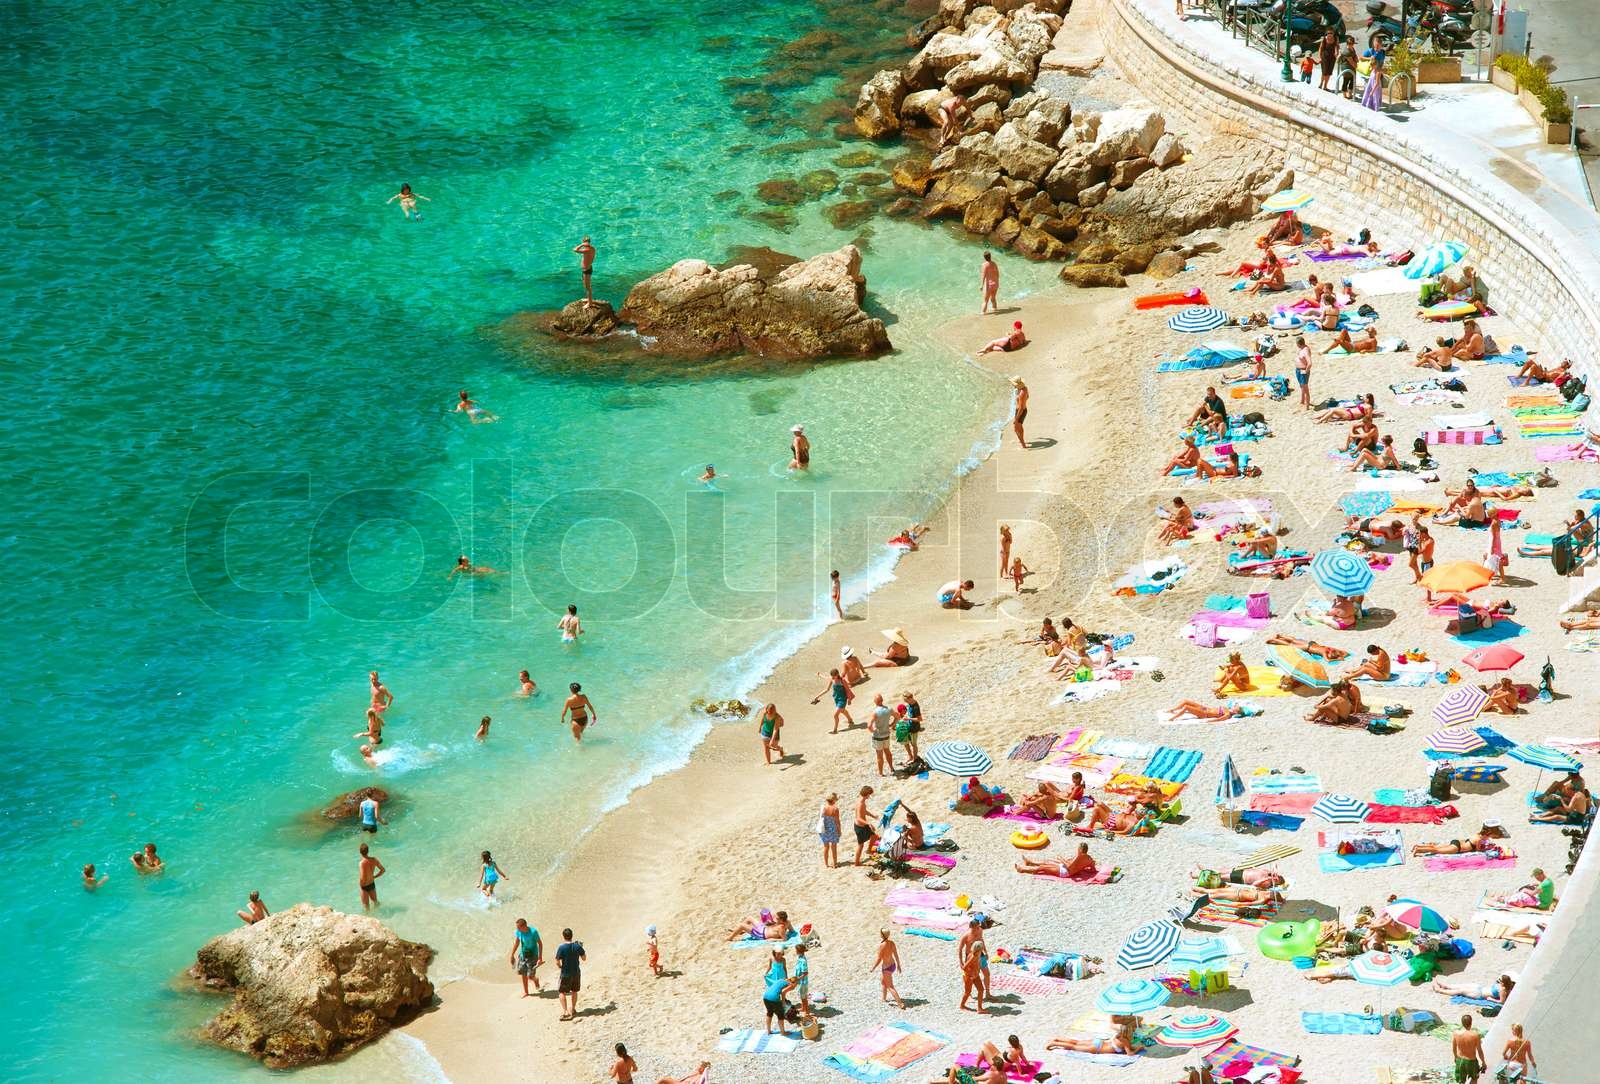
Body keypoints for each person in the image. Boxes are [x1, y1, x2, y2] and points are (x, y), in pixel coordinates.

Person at [1047, 1016, 1137, 1055]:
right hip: (1098, 1048)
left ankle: (1058, 1039)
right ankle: (1054, 1044)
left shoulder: (1118, 1035)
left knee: (1076, 1042)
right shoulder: (1125, 1041)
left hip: (1098, 1041)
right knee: (1074, 1046)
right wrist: (1138, 1048)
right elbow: (1130, 1053)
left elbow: (1126, 1047)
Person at [1417, 319, 1484, 369]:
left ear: (1471, 329)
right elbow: (1460, 340)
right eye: (1465, 329)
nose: (1465, 330)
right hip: (1471, 351)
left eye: (1466, 329)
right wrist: (1454, 347)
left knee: (1460, 351)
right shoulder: (1469, 334)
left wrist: (1464, 343)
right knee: (1457, 345)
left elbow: (1469, 348)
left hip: (1478, 354)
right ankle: (1442, 354)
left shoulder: (1475, 336)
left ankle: (1439, 355)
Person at [1016, 841, 1097, 878]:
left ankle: (1022, 869)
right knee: (1047, 862)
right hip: (1066, 869)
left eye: (1078, 848)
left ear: (1080, 849)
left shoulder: (1079, 856)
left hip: (1065, 872)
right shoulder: (1090, 859)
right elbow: (1093, 870)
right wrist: (1082, 869)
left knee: (1043, 868)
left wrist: (1061, 859)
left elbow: (1068, 866)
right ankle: (1030, 862)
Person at [555, 928, 586, 1021]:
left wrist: (560, 967)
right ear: (572, 935)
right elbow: (584, 958)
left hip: (565, 973)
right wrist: (581, 947)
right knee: (574, 991)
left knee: (561, 992)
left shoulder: (561, 947)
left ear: (563, 936)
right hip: (576, 972)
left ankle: (565, 1011)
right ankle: (572, 1009)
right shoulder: (577, 946)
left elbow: (557, 961)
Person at [813, 668, 855, 732]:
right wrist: (817, 696)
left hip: (842, 699)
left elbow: (848, 690)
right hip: (836, 698)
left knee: (835, 715)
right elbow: (826, 688)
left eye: (834, 676)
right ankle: (850, 720)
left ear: (837, 674)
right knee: (842, 711)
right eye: (832, 676)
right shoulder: (832, 679)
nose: (833, 677)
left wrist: (849, 700)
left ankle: (835, 730)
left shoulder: (842, 680)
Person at [874, 929, 907, 1008]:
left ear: (882, 935)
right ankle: (884, 999)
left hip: (886, 968)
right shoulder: (892, 943)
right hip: (893, 965)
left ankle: (900, 1003)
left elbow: (879, 959)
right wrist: (898, 965)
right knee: (883, 981)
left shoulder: (881, 946)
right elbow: (896, 954)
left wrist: (873, 968)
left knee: (890, 986)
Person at [957, 924, 985, 1013]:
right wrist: (972, 974)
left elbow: (977, 965)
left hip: (975, 975)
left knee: (981, 990)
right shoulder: (972, 956)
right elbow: (964, 968)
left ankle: (979, 1008)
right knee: (967, 992)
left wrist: (977, 971)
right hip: (969, 976)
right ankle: (962, 1005)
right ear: (978, 949)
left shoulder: (977, 955)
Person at [512, 918, 543, 995]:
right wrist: (512, 954)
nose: (517, 929)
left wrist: (540, 958)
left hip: (533, 956)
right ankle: (526, 992)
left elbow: (540, 944)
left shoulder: (533, 932)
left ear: (524, 926)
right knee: (523, 973)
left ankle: (536, 980)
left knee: (530, 976)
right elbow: (517, 943)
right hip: (523, 955)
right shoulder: (519, 932)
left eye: (518, 927)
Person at [869, 694, 896, 776]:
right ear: (882, 700)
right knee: (887, 752)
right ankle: (891, 768)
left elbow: (869, 725)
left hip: (878, 736)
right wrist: (892, 724)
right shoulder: (889, 709)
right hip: (886, 734)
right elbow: (898, 716)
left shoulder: (875, 712)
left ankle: (881, 773)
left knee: (879, 756)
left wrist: (872, 730)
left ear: (875, 702)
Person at [726, 909, 793, 941]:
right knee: (749, 918)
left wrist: (772, 939)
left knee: (742, 925)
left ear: (781, 920)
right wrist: (772, 924)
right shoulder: (787, 922)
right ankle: (739, 932)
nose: (775, 918)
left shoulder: (781, 927)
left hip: (761, 934)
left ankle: (729, 938)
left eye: (777, 918)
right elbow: (792, 930)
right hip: (764, 928)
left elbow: (785, 939)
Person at [1411, 832, 1498, 856]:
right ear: (1485, 835)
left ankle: (1417, 846)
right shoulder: (1479, 840)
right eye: (1488, 837)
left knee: (1436, 846)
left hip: (1457, 842)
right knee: (1436, 850)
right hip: (1457, 848)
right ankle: (1418, 849)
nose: (1488, 839)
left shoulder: (1476, 835)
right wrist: (1487, 848)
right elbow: (1478, 849)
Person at [1168, 699, 1255, 721]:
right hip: (1205, 708)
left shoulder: (1228, 714)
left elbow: (1219, 719)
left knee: (1187, 707)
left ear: (1236, 712)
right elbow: (1234, 703)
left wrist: (1209, 722)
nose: (1235, 706)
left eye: (1236, 707)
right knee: (1186, 701)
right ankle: (1172, 710)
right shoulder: (1227, 708)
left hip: (1205, 714)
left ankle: (1173, 718)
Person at [854, 786, 878, 866]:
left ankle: (869, 850)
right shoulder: (861, 803)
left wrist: (873, 816)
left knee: (874, 836)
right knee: (860, 845)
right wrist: (869, 824)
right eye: (869, 794)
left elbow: (864, 811)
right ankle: (856, 862)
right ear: (867, 794)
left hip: (863, 825)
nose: (870, 796)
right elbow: (858, 818)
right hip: (860, 826)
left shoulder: (861, 800)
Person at [1361, 39, 1386, 112]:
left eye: (1378, 46)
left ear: (1381, 45)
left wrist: (1382, 70)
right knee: (1368, 89)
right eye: (1375, 45)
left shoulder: (1383, 52)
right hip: (1371, 74)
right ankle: (1368, 104)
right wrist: (1370, 58)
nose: (1376, 47)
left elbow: (1382, 63)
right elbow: (1361, 58)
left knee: (1376, 91)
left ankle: (1375, 105)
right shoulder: (1370, 51)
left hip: (1378, 73)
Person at [358, 843, 384, 910]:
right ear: (368, 851)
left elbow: (362, 877)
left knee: (366, 907)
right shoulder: (374, 859)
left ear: (360, 852)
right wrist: (375, 876)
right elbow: (383, 870)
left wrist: (360, 884)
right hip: (372, 884)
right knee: (376, 902)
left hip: (364, 886)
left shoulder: (362, 863)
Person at [818, 792, 842, 868]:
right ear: (834, 800)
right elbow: (837, 821)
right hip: (833, 829)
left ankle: (826, 864)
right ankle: (834, 864)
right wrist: (839, 830)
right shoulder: (835, 809)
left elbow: (822, 818)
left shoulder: (823, 808)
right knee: (834, 847)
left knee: (826, 847)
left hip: (824, 829)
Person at [573, 237, 597, 305]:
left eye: (585, 242)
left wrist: (581, 244)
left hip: (587, 270)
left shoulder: (586, 250)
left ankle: (590, 303)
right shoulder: (592, 248)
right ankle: (589, 299)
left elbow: (574, 249)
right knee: (586, 286)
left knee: (587, 287)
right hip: (587, 269)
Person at [1009, 376, 1028, 448]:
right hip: (1023, 410)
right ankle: (1021, 441)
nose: (1013, 385)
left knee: (1016, 429)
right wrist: (1023, 401)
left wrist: (1016, 419)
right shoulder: (1025, 388)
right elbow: (1028, 396)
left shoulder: (1021, 394)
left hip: (1020, 412)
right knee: (1019, 427)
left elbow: (1021, 409)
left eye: (1013, 384)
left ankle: (1023, 445)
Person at [1295, 336, 1312, 408]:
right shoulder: (1301, 348)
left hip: (1303, 370)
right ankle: (1302, 401)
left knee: (1305, 388)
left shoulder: (1305, 350)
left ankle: (1307, 406)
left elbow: (1310, 363)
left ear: (1298, 344)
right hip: (1298, 370)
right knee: (1301, 386)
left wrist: (1306, 371)